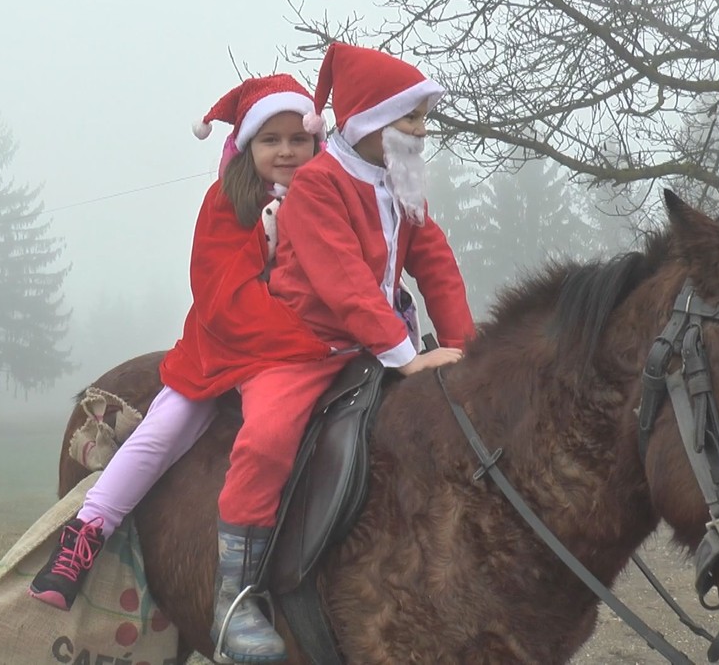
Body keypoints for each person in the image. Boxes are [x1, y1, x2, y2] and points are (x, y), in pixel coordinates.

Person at [209, 42, 475, 662]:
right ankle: (236, 595)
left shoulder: (403, 180)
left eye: (422, 119)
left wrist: (467, 349)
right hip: (301, 346)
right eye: (409, 118)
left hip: (372, 343)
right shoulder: (318, 185)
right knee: (269, 435)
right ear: (369, 120)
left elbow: (435, 264)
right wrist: (406, 355)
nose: (420, 131)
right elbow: (344, 282)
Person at [29, 73, 331, 614]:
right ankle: (85, 535)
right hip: (225, 347)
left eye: (297, 139)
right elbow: (222, 296)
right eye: (271, 140)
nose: (286, 151)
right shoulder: (225, 203)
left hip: (297, 353)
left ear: (316, 142)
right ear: (247, 146)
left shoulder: (332, 200)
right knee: (163, 431)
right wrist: (305, 329)